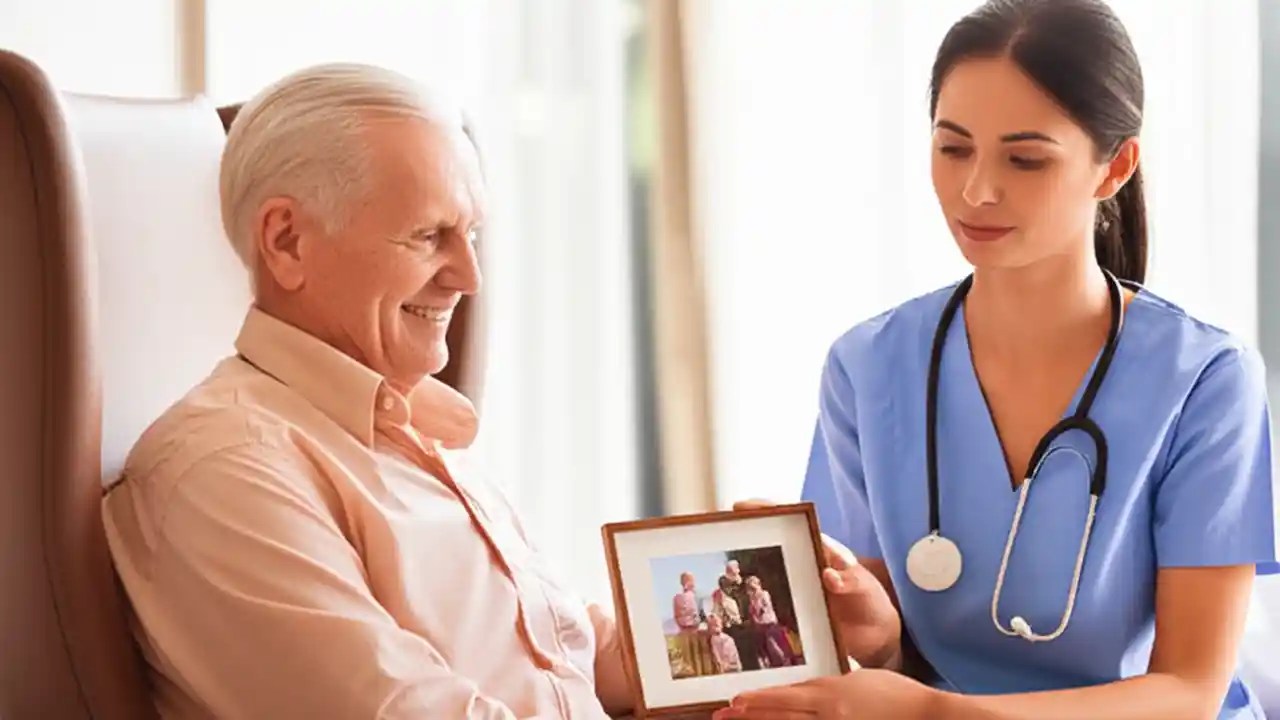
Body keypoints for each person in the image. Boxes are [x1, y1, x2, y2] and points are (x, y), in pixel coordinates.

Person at [717, 1, 1277, 718]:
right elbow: (895, 657)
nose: (976, 190)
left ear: (1115, 168)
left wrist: (939, 714)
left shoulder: (1206, 382)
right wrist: (875, 631)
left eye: (1025, 158)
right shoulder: (869, 367)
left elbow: (1188, 691)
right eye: (953, 149)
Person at [101, 63, 630, 719]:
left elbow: (572, 656)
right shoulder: (228, 472)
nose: (469, 277)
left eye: (469, 235)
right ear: (287, 241)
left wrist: (771, 613)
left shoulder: (415, 432)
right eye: (429, 236)